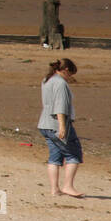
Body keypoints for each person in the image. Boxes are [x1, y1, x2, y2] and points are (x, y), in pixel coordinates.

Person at [39, 58, 83, 197]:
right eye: (70, 74)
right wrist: (62, 126)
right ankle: (68, 186)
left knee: (55, 157)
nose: (70, 78)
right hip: (55, 124)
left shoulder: (47, 80)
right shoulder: (60, 83)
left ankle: (54, 189)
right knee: (74, 154)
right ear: (66, 70)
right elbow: (60, 106)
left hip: (44, 124)